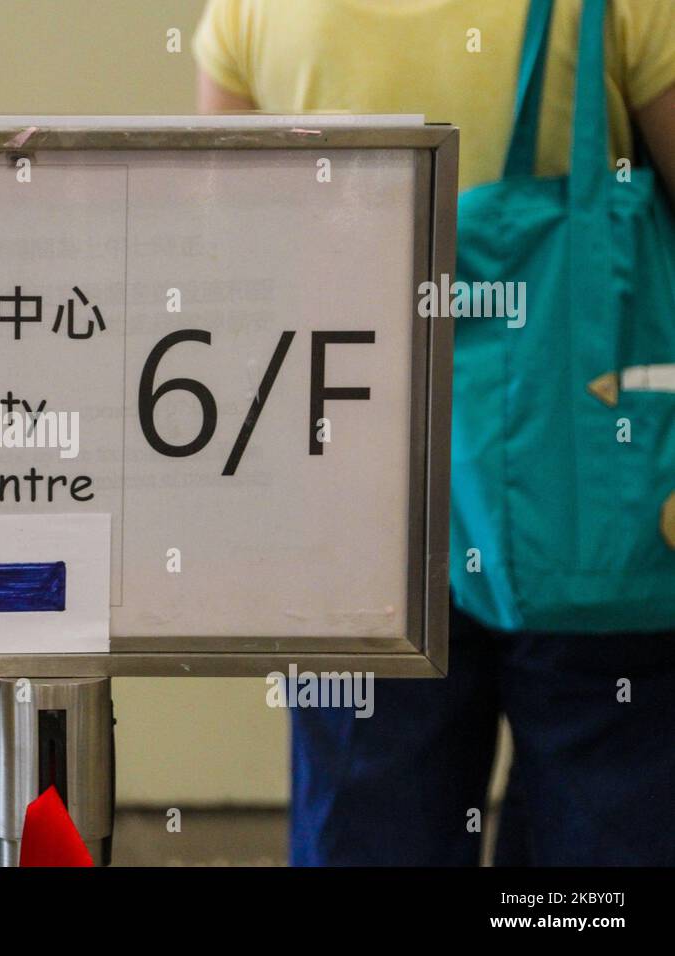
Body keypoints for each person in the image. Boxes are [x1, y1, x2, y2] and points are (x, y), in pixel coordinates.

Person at [194, 0, 675, 865]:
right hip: (591, 507)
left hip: (355, 518)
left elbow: (233, 246)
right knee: (601, 831)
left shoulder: (255, 14)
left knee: (370, 818)